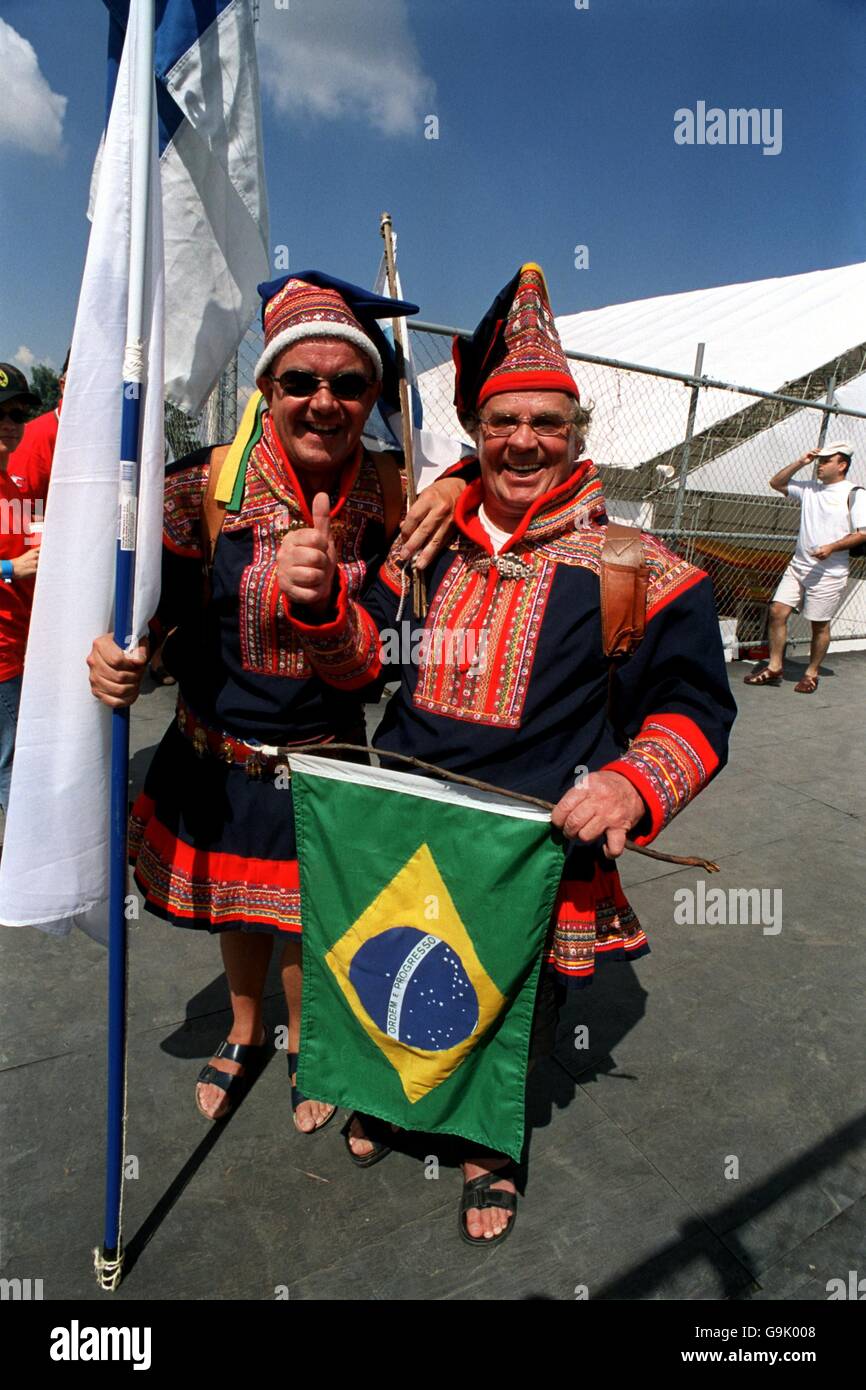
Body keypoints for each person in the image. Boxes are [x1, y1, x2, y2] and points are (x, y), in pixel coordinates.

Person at [279, 263, 737, 1242]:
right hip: (403, 820)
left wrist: (628, 780)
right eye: (500, 424)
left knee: (507, 1005)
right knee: (387, 974)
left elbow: (695, 711)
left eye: (546, 423)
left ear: (577, 435)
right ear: (474, 436)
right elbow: (365, 662)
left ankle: (489, 1147)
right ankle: (391, 1097)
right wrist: (321, 606)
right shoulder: (424, 543)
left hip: (531, 843)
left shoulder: (642, 573)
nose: (522, 441)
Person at [87, 271, 471, 1131]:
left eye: (349, 383)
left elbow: (367, 669)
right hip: (216, 758)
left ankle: (308, 1041)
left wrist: (331, 598)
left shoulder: (394, 495)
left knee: (308, 916)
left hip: (324, 758)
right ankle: (246, 1029)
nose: (324, 401)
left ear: (373, 392)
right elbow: (152, 607)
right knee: (239, 907)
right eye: (301, 380)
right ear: (267, 387)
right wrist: (124, 658)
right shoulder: (203, 487)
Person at [743, 442, 866, 693]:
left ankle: (811, 673)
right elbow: (776, 483)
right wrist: (801, 461)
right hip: (798, 565)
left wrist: (831, 547)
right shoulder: (810, 489)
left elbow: (863, 533)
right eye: (820, 460)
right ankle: (775, 666)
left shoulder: (854, 493)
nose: (820, 465)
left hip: (829, 572)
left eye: (826, 461)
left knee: (819, 624)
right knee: (777, 611)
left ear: (841, 465)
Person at [0, 364, 42, 814]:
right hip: (2, 651)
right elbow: (15, 562)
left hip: (21, 644)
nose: (11, 424)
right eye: (2, 415)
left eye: (18, 414)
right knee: (11, 762)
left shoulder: (17, 487)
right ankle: (19, 866)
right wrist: (11, 567)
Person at [8, 349, 67, 505]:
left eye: (18, 416)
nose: (8, 425)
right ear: (63, 385)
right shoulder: (37, 437)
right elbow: (18, 516)